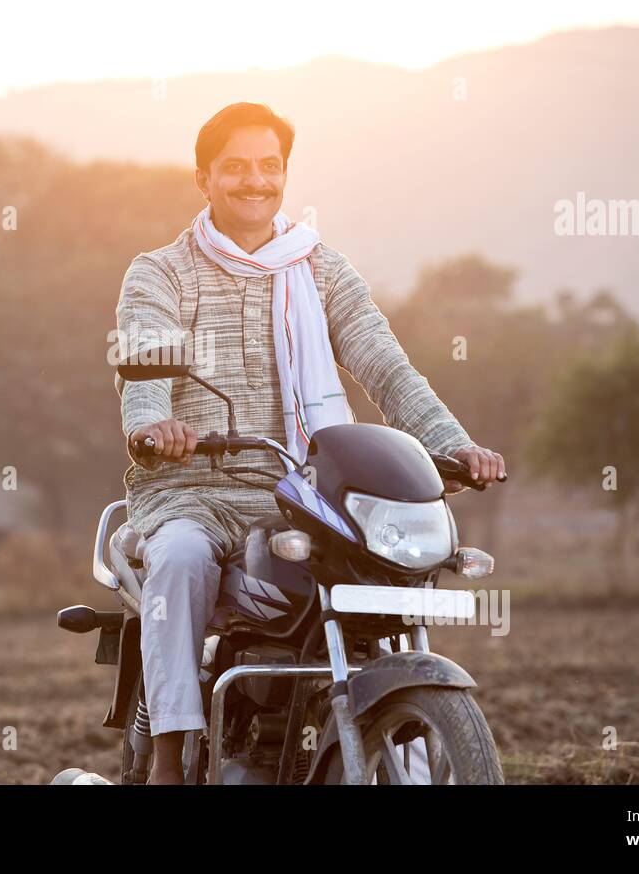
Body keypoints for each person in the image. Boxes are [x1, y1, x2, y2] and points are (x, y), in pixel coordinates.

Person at [115, 102, 505, 784]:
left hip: (307, 491)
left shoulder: (321, 268)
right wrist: (154, 428)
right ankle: (171, 760)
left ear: (286, 175)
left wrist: (453, 442)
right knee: (177, 557)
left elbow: (387, 369)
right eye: (235, 167)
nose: (254, 181)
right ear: (205, 177)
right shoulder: (161, 273)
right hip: (193, 491)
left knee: (383, 575)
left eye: (270, 166)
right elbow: (146, 365)